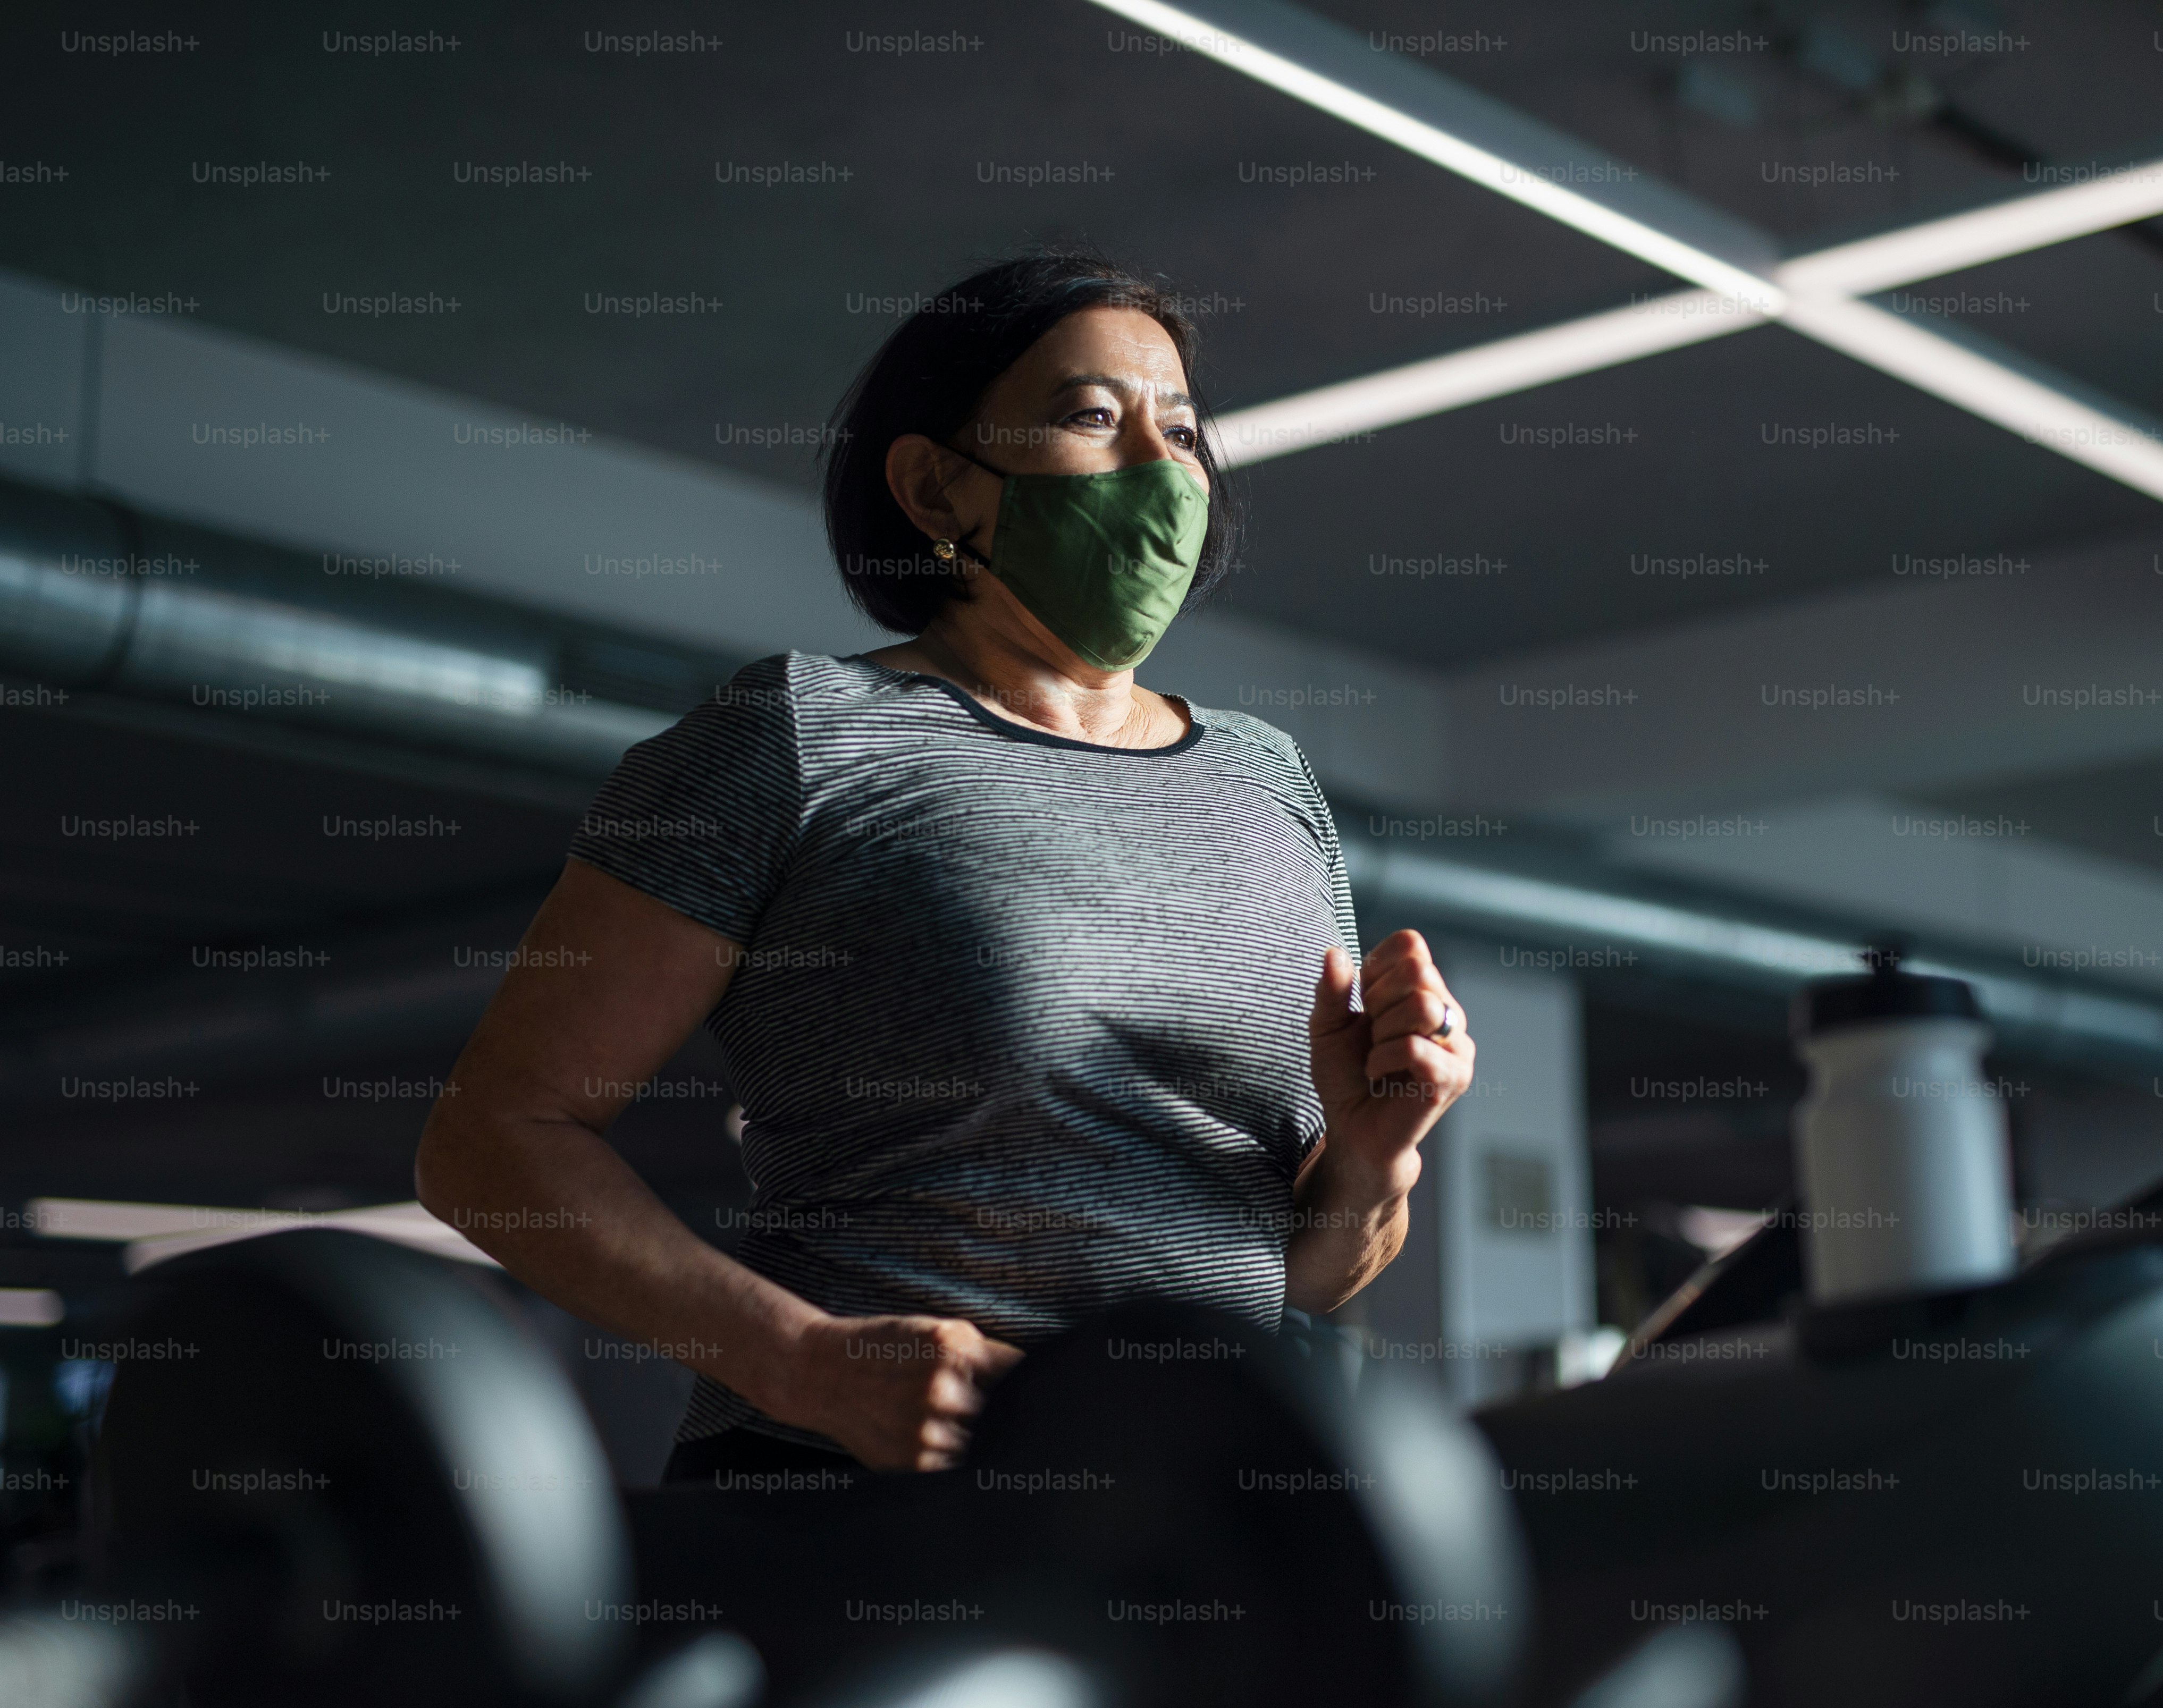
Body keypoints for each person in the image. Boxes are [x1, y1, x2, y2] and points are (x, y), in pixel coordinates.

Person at [415, 253, 1474, 1477]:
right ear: (934, 487)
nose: (1160, 467)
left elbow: (1302, 1271)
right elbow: (490, 1141)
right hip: (862, 1500)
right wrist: (798, 1358)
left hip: (1180, 1509)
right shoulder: (796, 733)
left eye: (1181, 432)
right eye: (1092, 416)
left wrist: (1375, 1152)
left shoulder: (1267, 776)